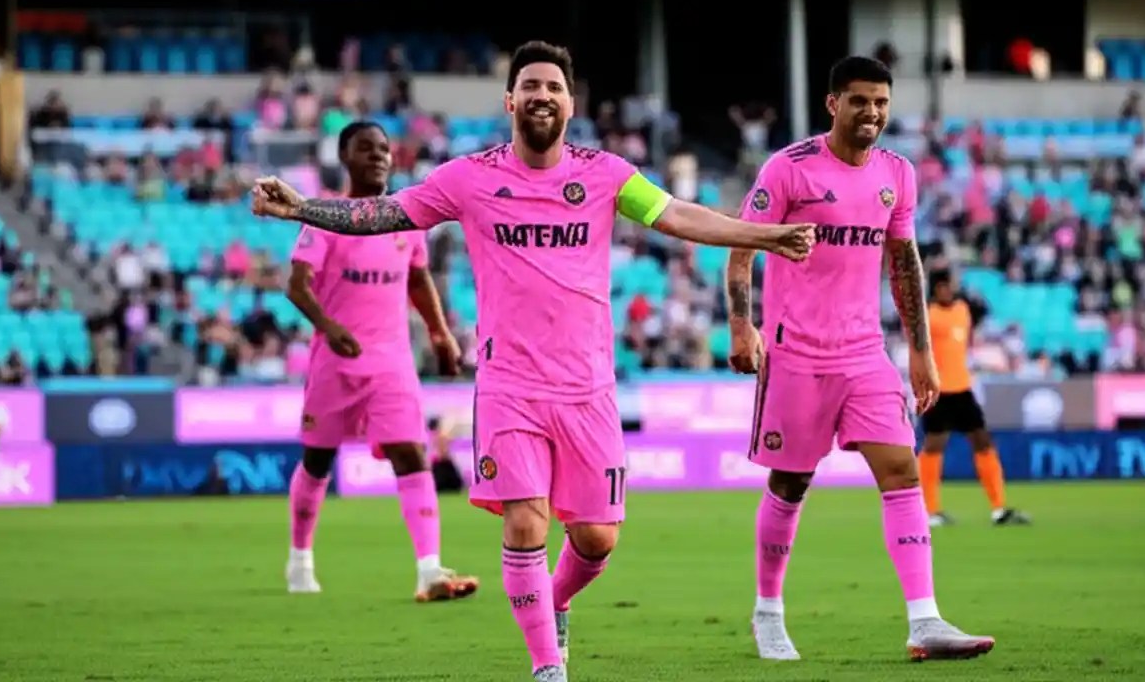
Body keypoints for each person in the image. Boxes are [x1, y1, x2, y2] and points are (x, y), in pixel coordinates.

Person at [251, 41, 815, 682]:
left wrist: (764, 235)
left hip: (588, 388)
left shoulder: (606, 174)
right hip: (508, 385)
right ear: (510, 100)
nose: (542, 95)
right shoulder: (469, 178)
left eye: (554, 86)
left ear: (571, 103)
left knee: (598, 538)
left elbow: (679, 216)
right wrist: (300, 208)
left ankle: (557, 601)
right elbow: (385, 212)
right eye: (531, 86)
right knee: (524, 522)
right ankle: (547, 667)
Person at [724, 56, 995, 664]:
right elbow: (741, 248)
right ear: (833, 104)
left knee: (900, 469)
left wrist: (921, 353)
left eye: (881, 102)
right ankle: (769, 611)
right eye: (860, 101)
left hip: (865, 353)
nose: (872, 112)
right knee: (791, 481)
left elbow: (904, 262)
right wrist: (742, 327)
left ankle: (924, 620)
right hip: (794, 355)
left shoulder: (897, 174)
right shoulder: (788, 170)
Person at [284, 121, 479, 603]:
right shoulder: (325, 217)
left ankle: (429, 570)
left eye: (385, 149)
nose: (378, 156)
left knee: (411, 453)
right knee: (318, 460)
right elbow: (297, 284)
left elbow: (418, 279)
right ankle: (300, 558)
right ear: (344, 157)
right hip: (336, 359)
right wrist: (330, 329)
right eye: (366, 148)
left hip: (391, 361)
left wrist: (438, 332)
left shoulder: (404, 218)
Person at [919, 268, 1031, 528]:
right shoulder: (928, 316)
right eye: (948, 285)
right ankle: (929, 510)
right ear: (937, 289)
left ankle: (998, 508)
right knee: (934, 447)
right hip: (937, 390)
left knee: (982, 441)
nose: (952, 289)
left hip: (962, 387)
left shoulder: (962, 309)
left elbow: (979, 317)